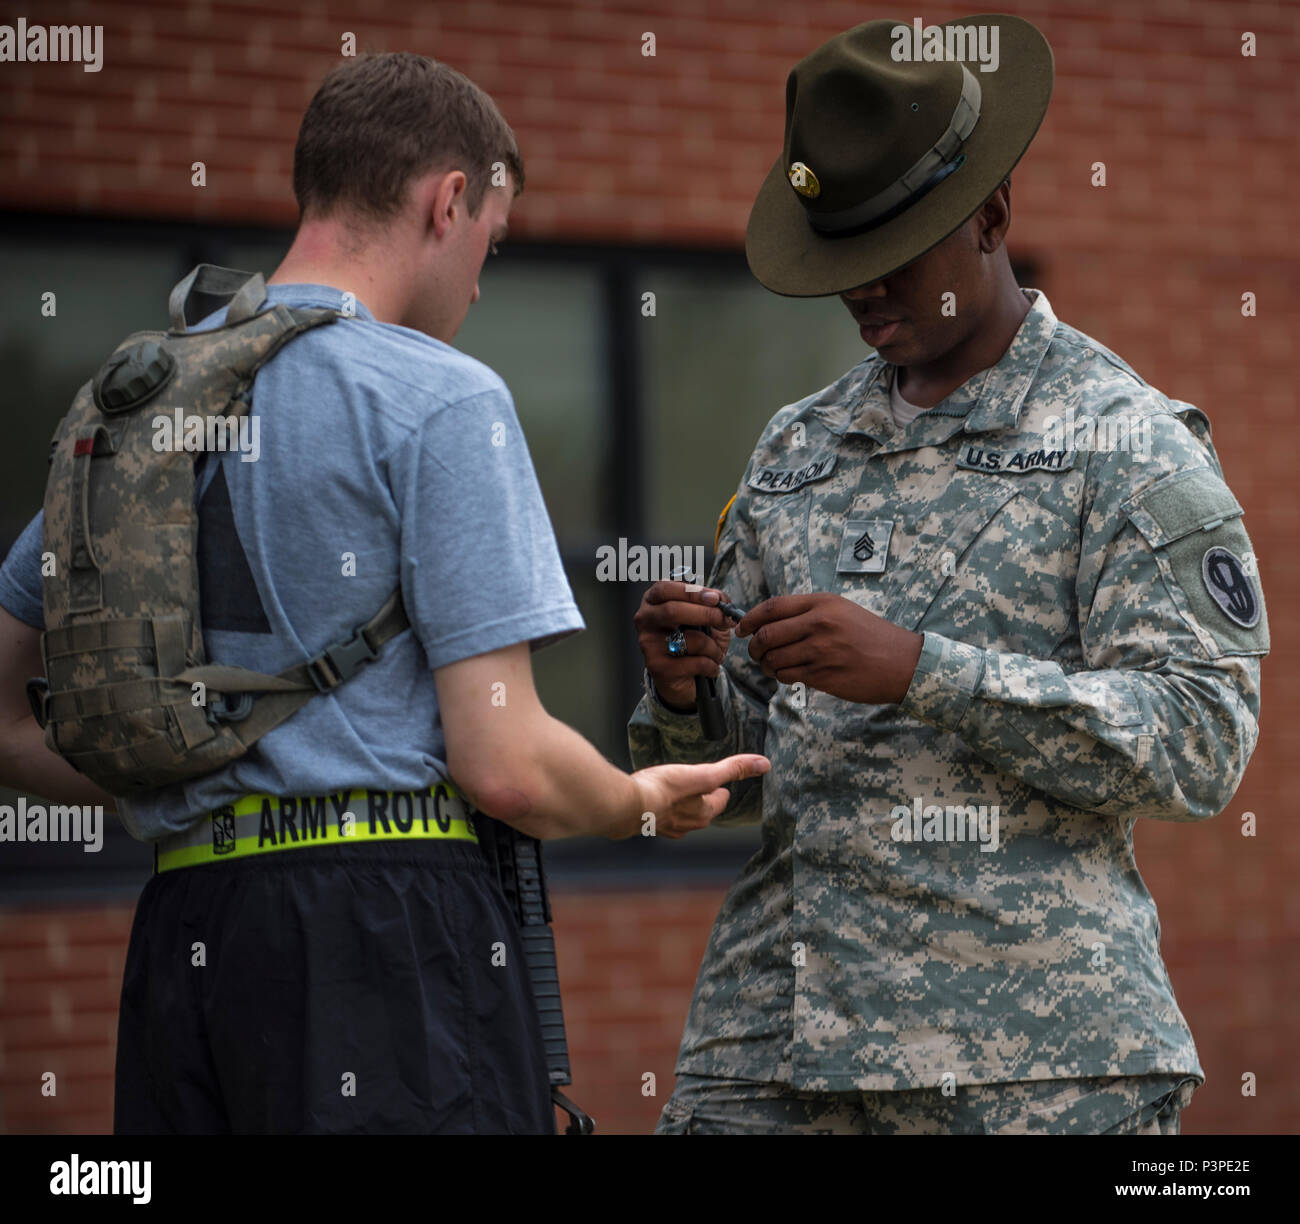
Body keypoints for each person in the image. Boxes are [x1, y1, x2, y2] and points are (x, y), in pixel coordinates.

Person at [0, 51, 767, 1135]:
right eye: (490, 246)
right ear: (448, 200)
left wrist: (189, 783)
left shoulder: (138, 402)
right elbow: (504, 767)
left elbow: (4, 713)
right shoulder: (441, 397)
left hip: (185, 939)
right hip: (382, 938)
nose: (482, 283)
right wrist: (641, 801)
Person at [629, 16, 1268, 1135]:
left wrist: (926, 673)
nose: (863, 293)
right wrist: (689, 690)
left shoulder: (1127, 441)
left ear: (990, 214)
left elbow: (1201, 739)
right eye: (840, 265)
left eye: (891, 256)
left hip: (1031, 1071)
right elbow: (732, 773)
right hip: (768, 1052)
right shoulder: (795, 446)